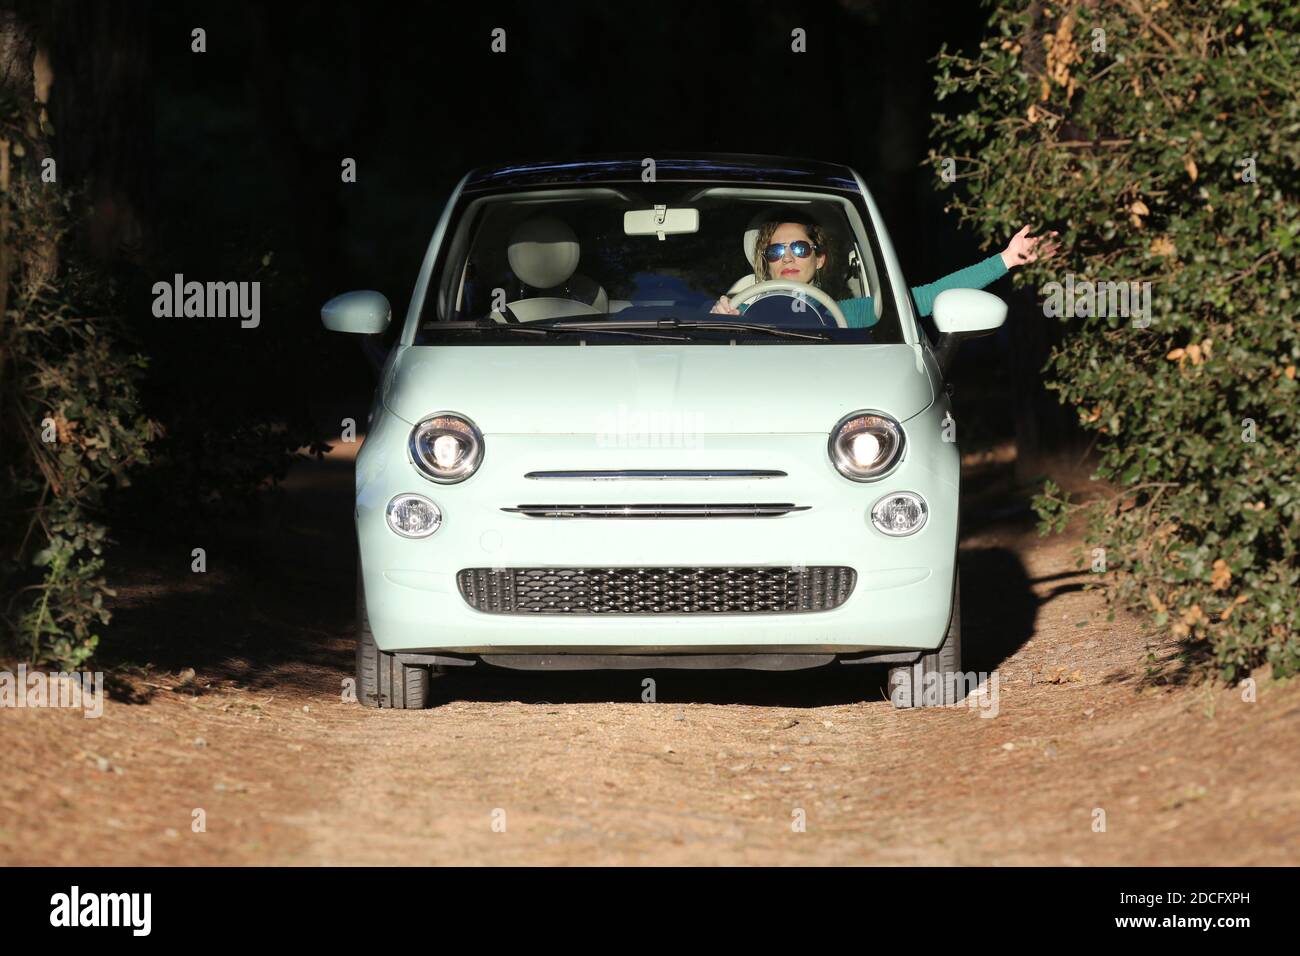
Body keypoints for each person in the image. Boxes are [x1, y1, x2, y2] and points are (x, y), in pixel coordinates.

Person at [711, 213, 1058, 327]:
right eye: (776, 251)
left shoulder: (848, 313)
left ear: (819, 259)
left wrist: (1007, 259)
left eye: (800, 248)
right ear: (766, 262)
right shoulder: (739, 314)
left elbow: (925, 298)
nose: (788, 258)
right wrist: (716, 327)